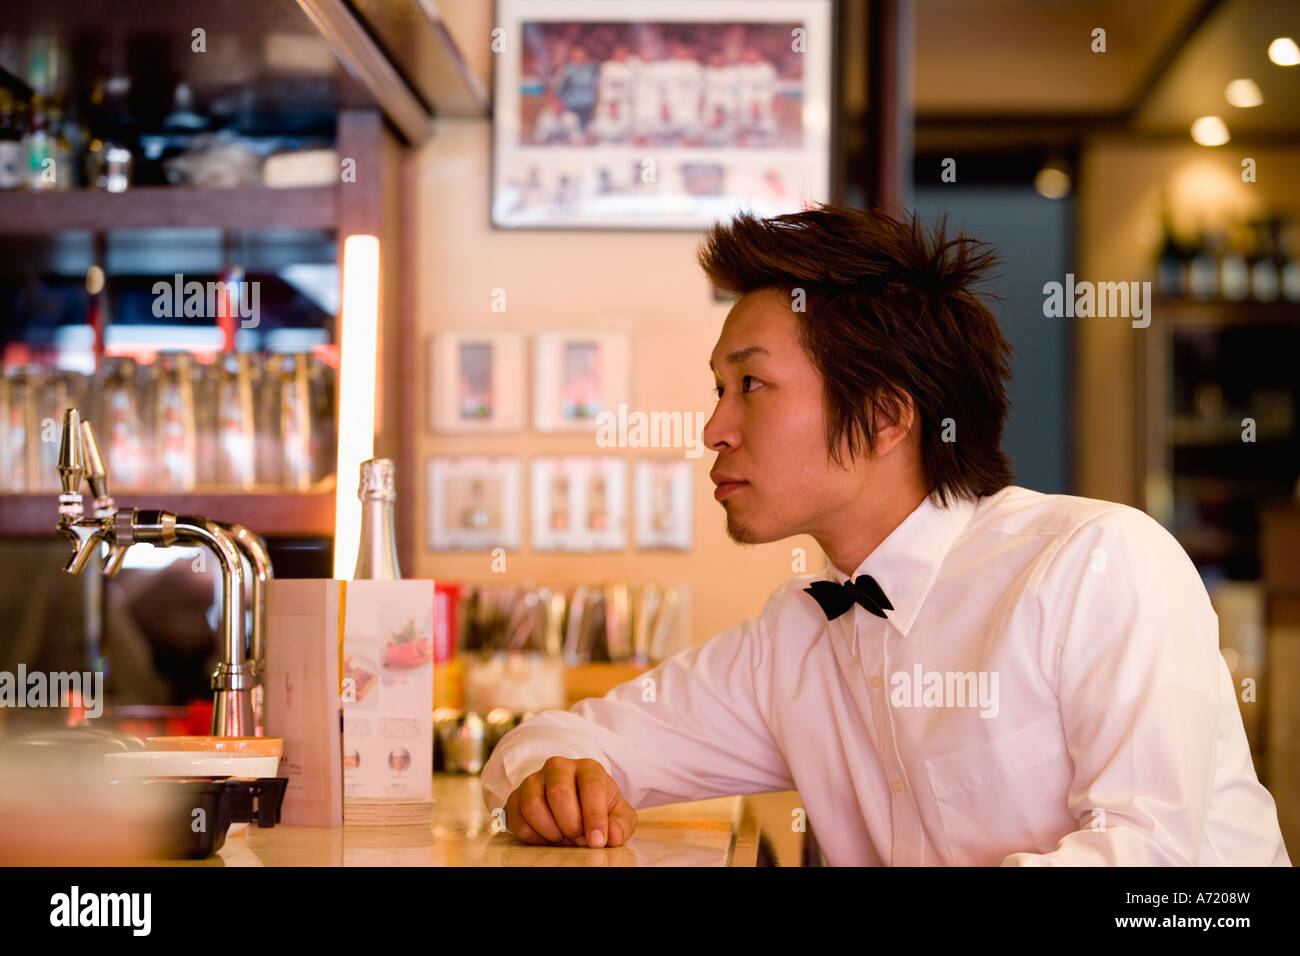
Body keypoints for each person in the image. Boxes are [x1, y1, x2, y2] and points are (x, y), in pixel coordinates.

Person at [480, 204, 1291, 867]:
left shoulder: (1095, 563)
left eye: (751, 385)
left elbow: (1153, 873)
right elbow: (554, 738)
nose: (714, 428)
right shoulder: (797, 636)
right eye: (718, 389)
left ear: (884, 418)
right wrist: (557, 780)